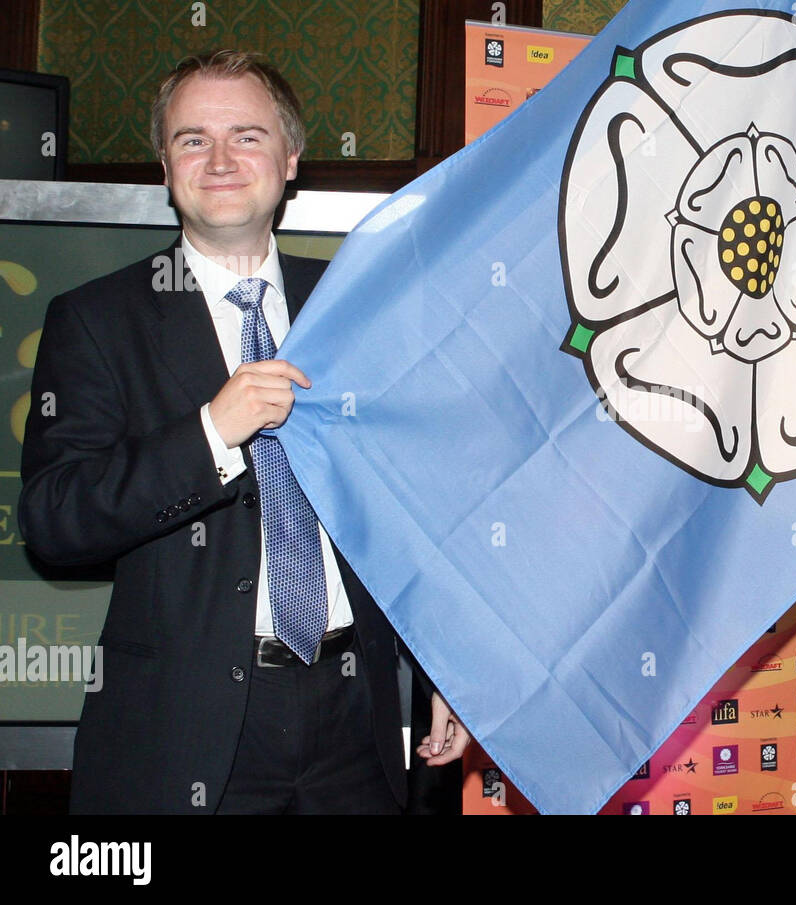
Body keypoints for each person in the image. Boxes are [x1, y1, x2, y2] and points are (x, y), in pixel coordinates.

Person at [19, 50, 467, 814]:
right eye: (193, 139)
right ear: (166, 165)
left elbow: (416, 510)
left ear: (290, 157)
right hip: (186, 735)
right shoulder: (95, 319)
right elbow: (57, 521)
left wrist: (446, 670)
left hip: (359, 725)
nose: (221, 159)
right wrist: (210, 434)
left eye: (248, 136)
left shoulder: (356, 304)